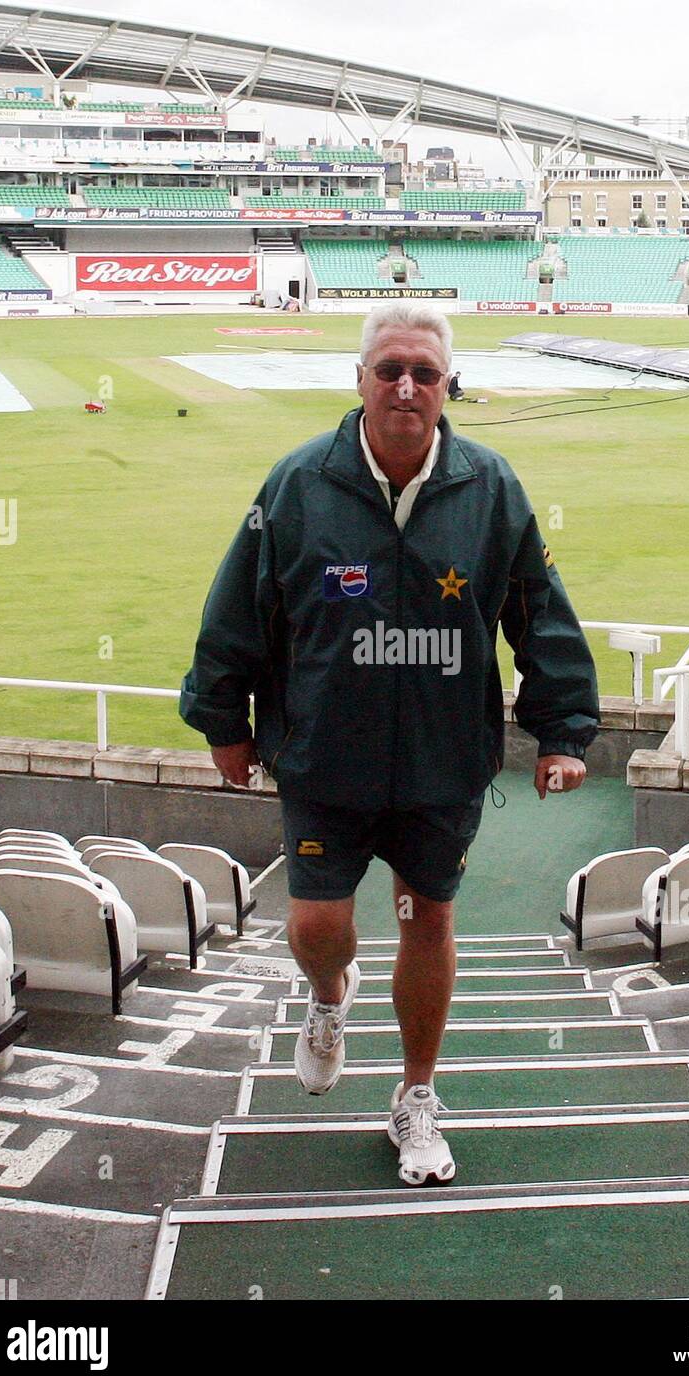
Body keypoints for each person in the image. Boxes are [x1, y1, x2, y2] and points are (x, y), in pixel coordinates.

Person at [180, 303, 599, 1185]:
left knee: (428, 917)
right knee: (319, 924)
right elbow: (238, 608)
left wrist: (561, 729)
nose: (406, 386)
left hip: (443, 761)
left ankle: (415, 1096)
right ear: (360, 378)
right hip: (324, 754)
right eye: (389, 370)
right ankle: (329, 998)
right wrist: (225, 722)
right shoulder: (297, 483)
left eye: (425, 373)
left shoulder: (491, 486)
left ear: (448, 386)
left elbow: (538, 611)